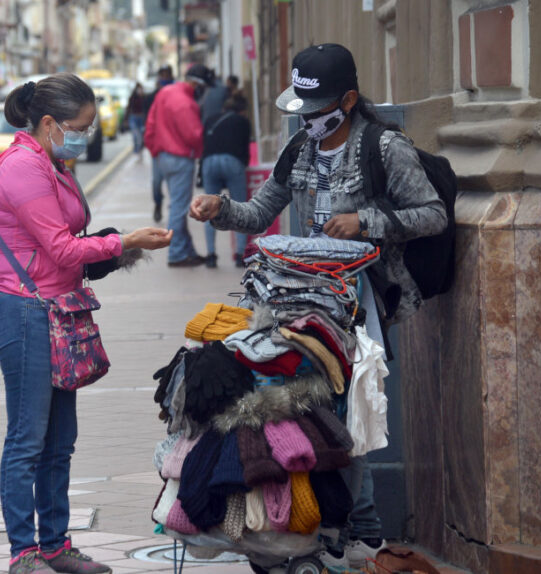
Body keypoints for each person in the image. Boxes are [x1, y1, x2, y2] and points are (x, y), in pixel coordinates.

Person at [190, 43, 447, 570]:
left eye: (317, 109)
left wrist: (366, 223)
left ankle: (356, 531)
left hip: (360, 303)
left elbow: (432, 214)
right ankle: (338, 528)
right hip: (299, 302)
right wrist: (220, 210)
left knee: (345, 415)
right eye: (301, 110)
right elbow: (260, 212)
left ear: (348, 99)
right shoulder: (301, 148)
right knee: (312, 412)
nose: (307, 120)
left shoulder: (385, 147)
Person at [0, 74, 172, 574]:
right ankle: (23, 553)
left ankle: (55, 545)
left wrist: (120, 246)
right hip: (24, 312)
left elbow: (72, 243)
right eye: (79, 127)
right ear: (48, 123)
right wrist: (126, 241)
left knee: (59, 441)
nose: (85, 136)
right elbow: (63, 248)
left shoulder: (54, 162)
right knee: (27, 439)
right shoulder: (23, 168)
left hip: (59, 310)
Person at [145, 63, 213, 267]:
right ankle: (176, 253)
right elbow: (194, 135)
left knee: (177, 204)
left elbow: (150, 125)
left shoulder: (165, 92)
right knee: (179, 208)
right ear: (197, 84)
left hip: (163, 156)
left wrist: (155, 150)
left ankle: (187, 250)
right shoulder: (187, 103)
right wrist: (200, 152)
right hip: (181, 158)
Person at [200, 94, 251, 268]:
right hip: (232, 161)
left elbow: (204, 144)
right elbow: (245, 150)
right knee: (240, 208)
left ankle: (211, 255)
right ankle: (240, 254)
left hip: (209, 162)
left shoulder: (210, 119)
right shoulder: (243, 121)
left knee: (208, 208)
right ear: (242, 110)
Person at [145, 65, 174, 222]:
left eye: (167, 75)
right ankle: (158, 203)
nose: (165, 78)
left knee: (173, 185)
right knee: (156, 183)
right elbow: (147, 124)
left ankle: (173, 213)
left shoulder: (176, 97)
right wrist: (151, 147)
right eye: (162, 75)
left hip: (173, 149)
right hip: (158, 150)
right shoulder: (152, 98)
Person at [125, 83, 148, 159]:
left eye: (141, 89)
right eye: (138, 89)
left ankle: (139, 150)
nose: (140, 91)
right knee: (135, 135)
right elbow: (128, 108)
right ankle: (136, 150)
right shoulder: (132, 98)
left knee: (141, 136)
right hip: (133, 118)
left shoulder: (145, 98)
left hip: (142, 118)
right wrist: (126, 119)